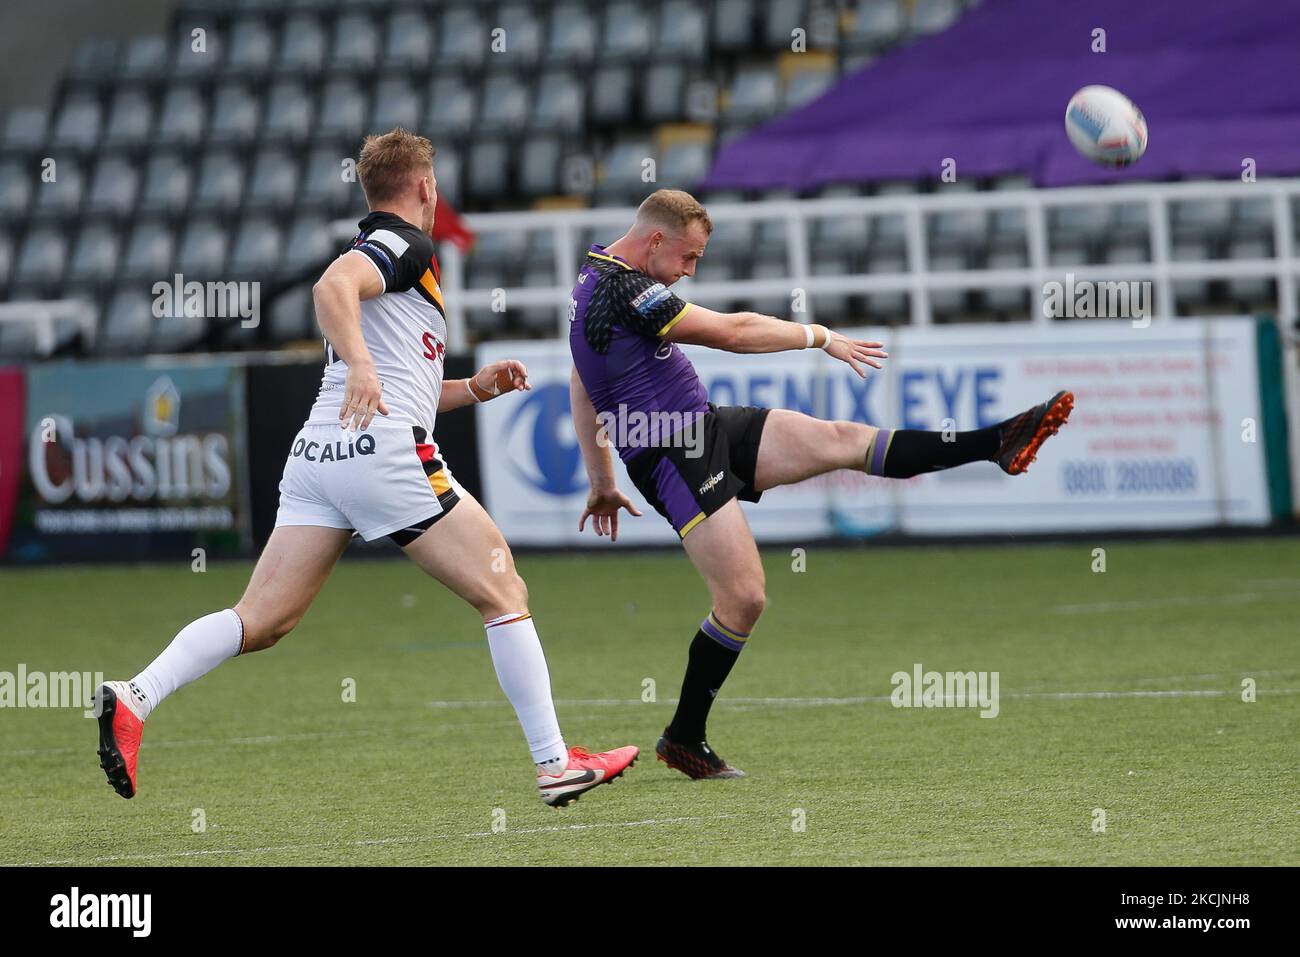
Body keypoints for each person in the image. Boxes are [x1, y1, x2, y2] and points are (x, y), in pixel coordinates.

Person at [95, 129, 637, 808]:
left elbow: (391, 372)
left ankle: (134, 696)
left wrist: (472, 387)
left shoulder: (388, 260)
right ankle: (556, 763)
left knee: (261, 618)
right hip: (380, 449)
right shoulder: (404, 244)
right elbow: (333, 287)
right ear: (424, 188)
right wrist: (359, 362)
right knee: (504, 590)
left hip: (321, 452)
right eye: (434, 184)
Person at [568, 188, 1072, 779]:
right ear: (656, 240)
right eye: (688, 258)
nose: (689, 272)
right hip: (672, 454)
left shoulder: (599, 275)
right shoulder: (623, 289)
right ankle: (683, 737)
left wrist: (600, 478)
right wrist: (818, 335)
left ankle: (996, 444)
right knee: (744, 599)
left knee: (842, 439)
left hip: (703, 427)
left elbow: (582, 378)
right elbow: (732, 332)